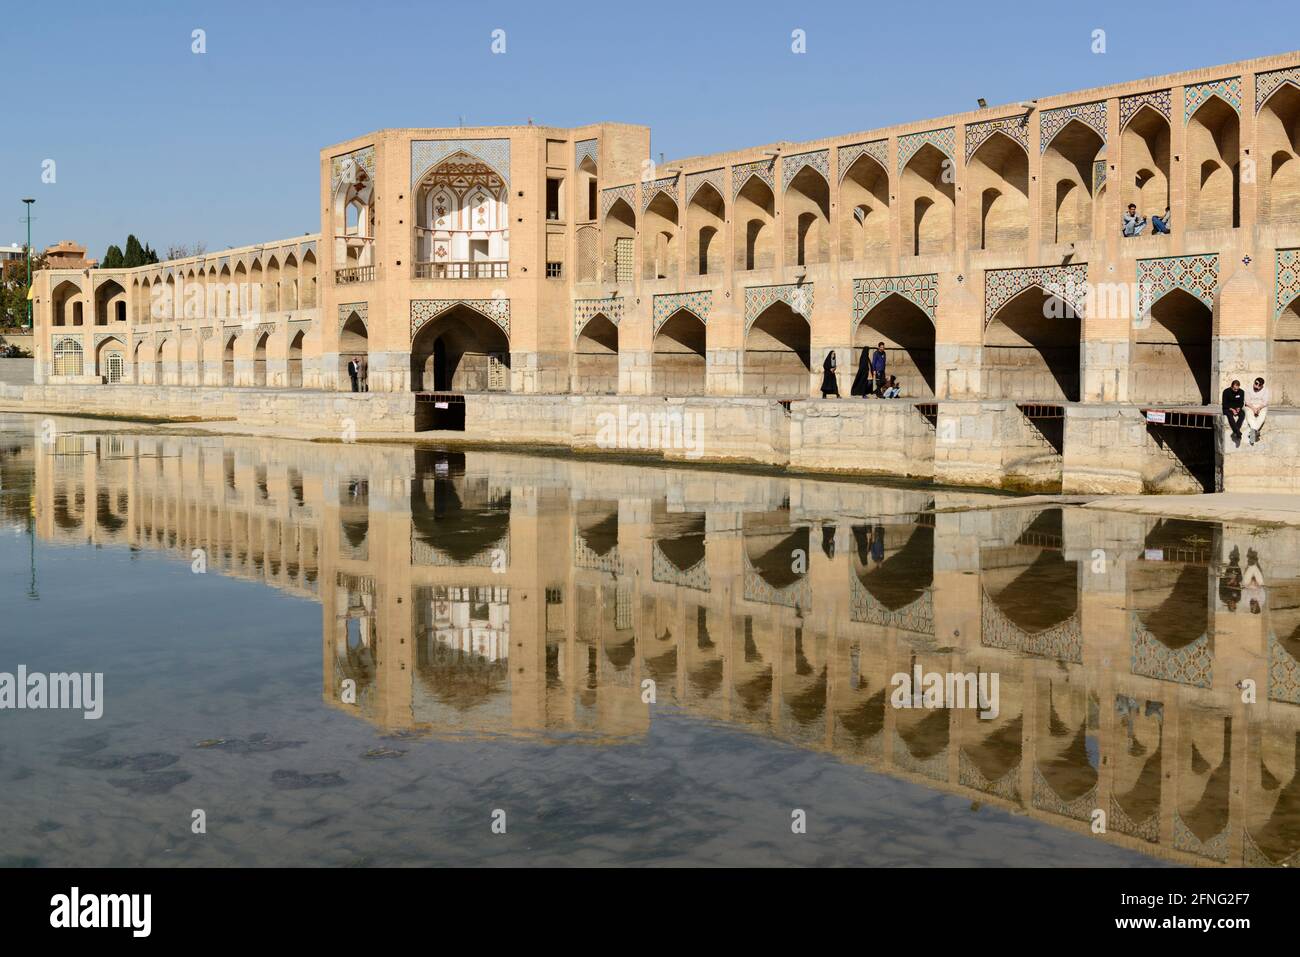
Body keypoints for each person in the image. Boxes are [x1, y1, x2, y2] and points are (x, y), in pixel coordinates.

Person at [1245, 377, 1269, 444]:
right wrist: (1253, 408)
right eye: (1255, 383)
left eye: (1258, 385)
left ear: (1261, 386)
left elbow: (1265, 402)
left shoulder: (1265, 390)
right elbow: (1247, 401)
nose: (1256, 386)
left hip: (1261, 406)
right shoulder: (1248, 389)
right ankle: (1255, 433)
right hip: (1250, 405)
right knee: (1250, 416)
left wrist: (1259, 408)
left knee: (1262, 417)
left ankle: (1252, 433)